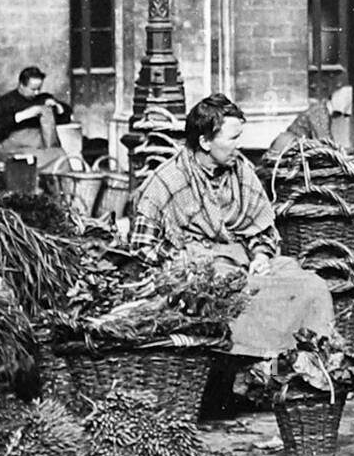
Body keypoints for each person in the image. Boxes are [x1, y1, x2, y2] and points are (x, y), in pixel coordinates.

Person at [130, 93, 334, 358]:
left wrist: (261, 254)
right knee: (246, 303)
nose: (238, 147)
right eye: (232, 138)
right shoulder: (167, 180)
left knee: (312, 285)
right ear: (204, 141)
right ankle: (259, 367)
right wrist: (185, 266)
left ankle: (306, 362)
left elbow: (261, 229)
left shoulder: (241, 170)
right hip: (205, 276)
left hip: (245, 263)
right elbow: (141, 247)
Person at [0, 66, 72, 167]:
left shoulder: (42, 98)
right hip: (12, 149)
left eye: (39, 89)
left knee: (60, 154)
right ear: (21, 85)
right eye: (33, 89)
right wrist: (22, 115)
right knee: (55, 158)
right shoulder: (4, 102)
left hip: (37, 147)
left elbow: (65, 117)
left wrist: (57, 106)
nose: (36, 93)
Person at [268, 85, 354, 156]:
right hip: (286, 147)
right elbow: (324, 140)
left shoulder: (322, 110)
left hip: (291, 146)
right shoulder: (320, 112)